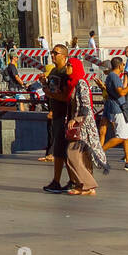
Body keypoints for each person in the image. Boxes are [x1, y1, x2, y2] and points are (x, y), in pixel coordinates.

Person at [63, 61, 108, 196]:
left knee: (72, 154)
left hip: (82, 125)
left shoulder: (81, 83)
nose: (67, 67)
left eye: (69, 65)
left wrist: (75, 119)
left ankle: (88, 184)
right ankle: (85, 186)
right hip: (81, 124)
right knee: (82, 156)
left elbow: (86, 104)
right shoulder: (74, 83)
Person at [39, 45, 74, 186]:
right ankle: (59, 180)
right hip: (57, 113)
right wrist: (44, 84)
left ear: (64, 56)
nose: (52, 55)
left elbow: (66, 96)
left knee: (63, 150)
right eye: (51, 53)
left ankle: (67, 181)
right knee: (60, 150)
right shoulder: (53, 70)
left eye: (55, 53)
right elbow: (53, 89)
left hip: (64, 114)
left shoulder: (66, 72)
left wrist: (50, 94)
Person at [99, 57, 128, 169]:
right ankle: (98, 153)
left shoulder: (112, 76)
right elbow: (121, 92)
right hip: (118, 109)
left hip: (121, 107)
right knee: (121, 136)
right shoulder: (114, 76)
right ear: (120, 65)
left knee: (127, 135)